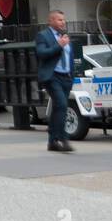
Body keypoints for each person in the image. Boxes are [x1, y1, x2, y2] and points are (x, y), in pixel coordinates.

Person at [35, 9, 76, 153]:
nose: (62, 22)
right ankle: (63, 139)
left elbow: (70, 58)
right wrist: (59, 45)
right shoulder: (43, 35)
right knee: (62, 104)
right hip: (52, 76)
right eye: (59, 20)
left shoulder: (65, 37)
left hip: (66, 77)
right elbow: (41, 54)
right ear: (51, 21)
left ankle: (52, 142)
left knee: (60, 108)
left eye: (63, 20)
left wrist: (72, 74)